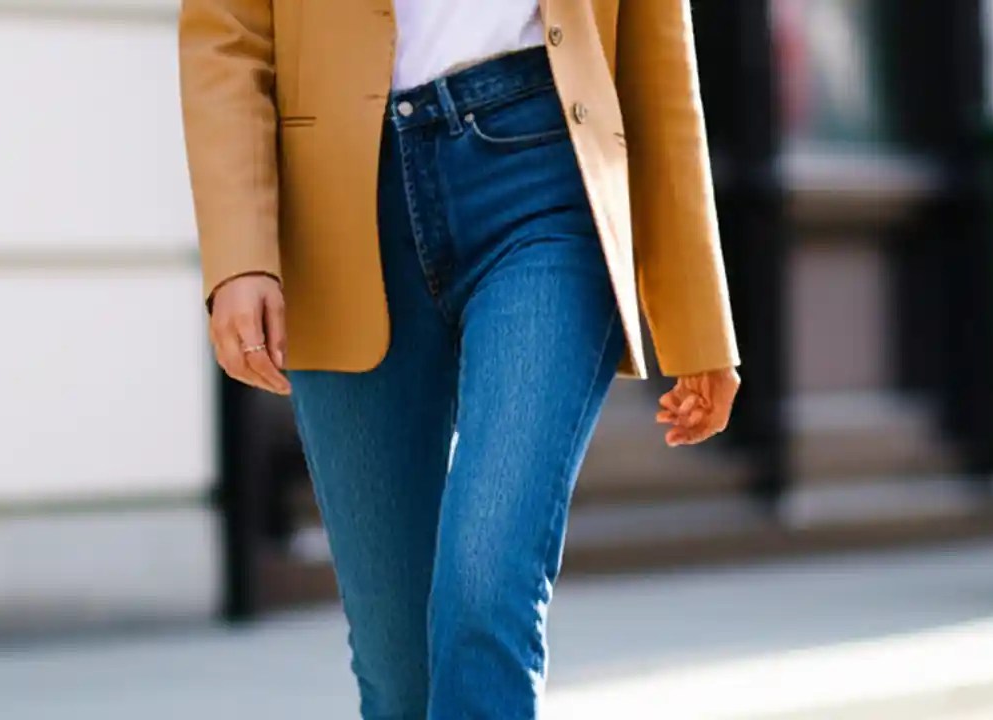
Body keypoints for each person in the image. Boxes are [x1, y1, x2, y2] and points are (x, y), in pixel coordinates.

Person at [178, 1, 742, 717]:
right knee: (400, 668)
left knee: (486, 587)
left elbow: (657, 44)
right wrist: (238, 256)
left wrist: (699, 317)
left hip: (543, 176)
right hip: (343, 205)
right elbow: (226, 33)